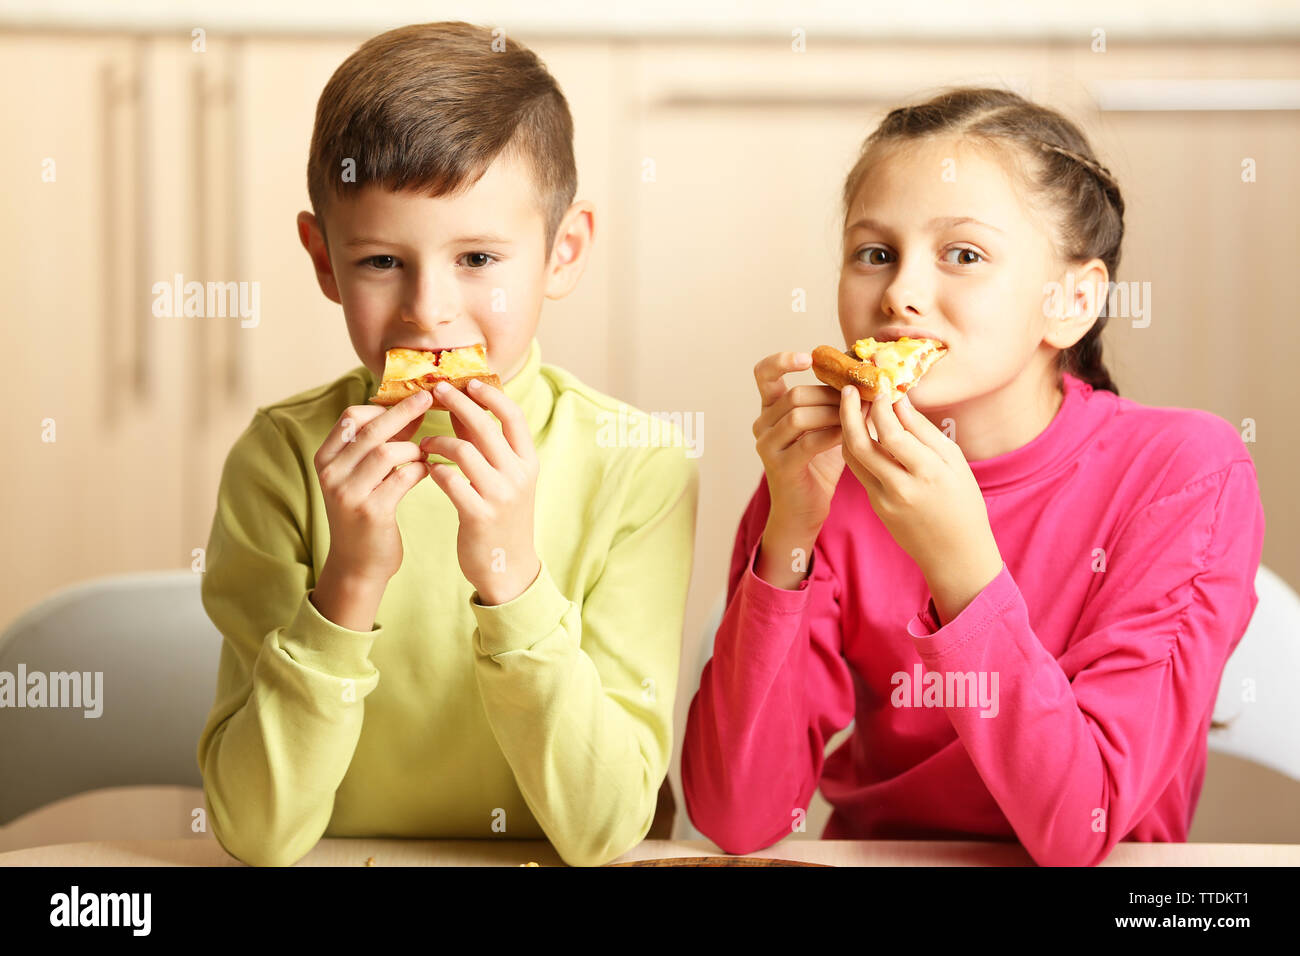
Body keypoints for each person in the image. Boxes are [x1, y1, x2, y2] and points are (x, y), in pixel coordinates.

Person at [681, 87, 1265, 867]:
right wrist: (789, 526)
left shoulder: (1186, 473)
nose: (899, 294)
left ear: (1072, 302)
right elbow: (738, 817)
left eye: (963, 254)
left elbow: (1080, 828)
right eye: (875, 253)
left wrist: (959, 565)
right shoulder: (824, 478)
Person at [196, 21, 697, 867]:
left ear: (562, 252)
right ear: (324, 262)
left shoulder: (637, 465)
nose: (429, 310)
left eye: (477, 257)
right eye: (383, 261)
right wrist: (350, 579)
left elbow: (607, 829)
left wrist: (511, 577)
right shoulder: (278, 461)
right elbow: (256, 831)